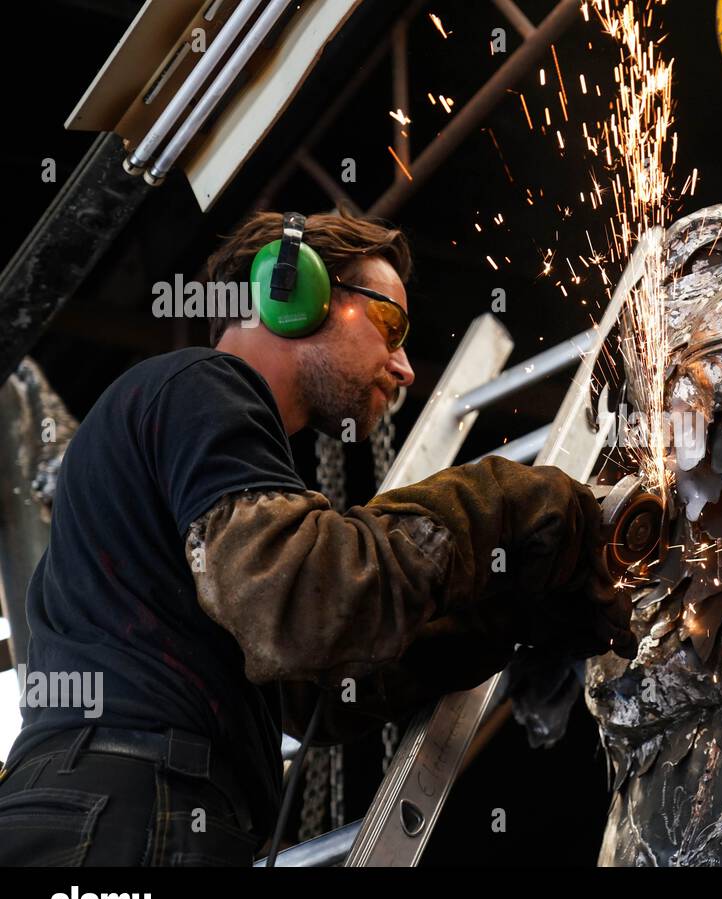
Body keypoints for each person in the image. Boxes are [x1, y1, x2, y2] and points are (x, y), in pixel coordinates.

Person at [0, 211, 633, 866]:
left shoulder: (197, 456)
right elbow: (298, 601)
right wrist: (521, 503)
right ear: (293, 295)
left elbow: (315, 689)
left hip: (115, 809)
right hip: (132, 810)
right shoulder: (200, 388)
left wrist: (504, 614)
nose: (406, 368)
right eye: (391, 326)